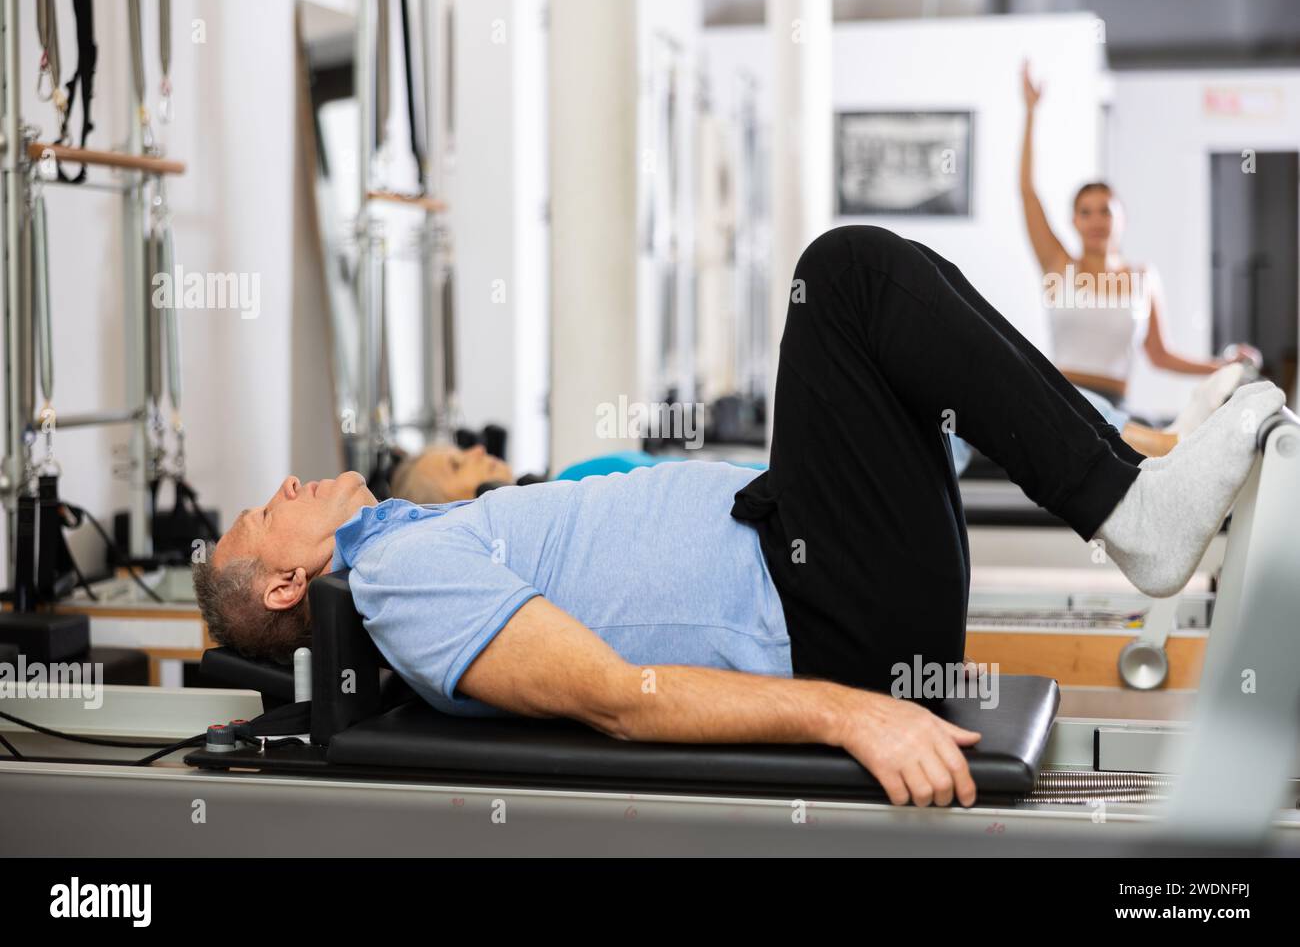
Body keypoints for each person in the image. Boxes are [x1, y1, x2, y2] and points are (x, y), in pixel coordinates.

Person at [194, 225, 1283, 809]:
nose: (283, 483)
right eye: (260, 514)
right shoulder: (396, 583)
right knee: (844, 277)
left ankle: (1129, 476)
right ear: (287, 583)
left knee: (893, 307)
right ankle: (1133, 511)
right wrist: (849, 716)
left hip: (822, 567)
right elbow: (614, 697)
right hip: (824, 614)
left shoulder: (415, 536)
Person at [1019, 63, 1258, 431]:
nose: (1096, 220)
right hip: (1060, 403)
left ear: (1122, 219)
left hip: (1112, 412)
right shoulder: (1057, 264)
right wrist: (1031, 112)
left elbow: (1160, 355)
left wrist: (1223, 366)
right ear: (1074, 222)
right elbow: (1027, 192)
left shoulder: (1142, 278)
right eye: (1086, 212)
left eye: (1105, 211)